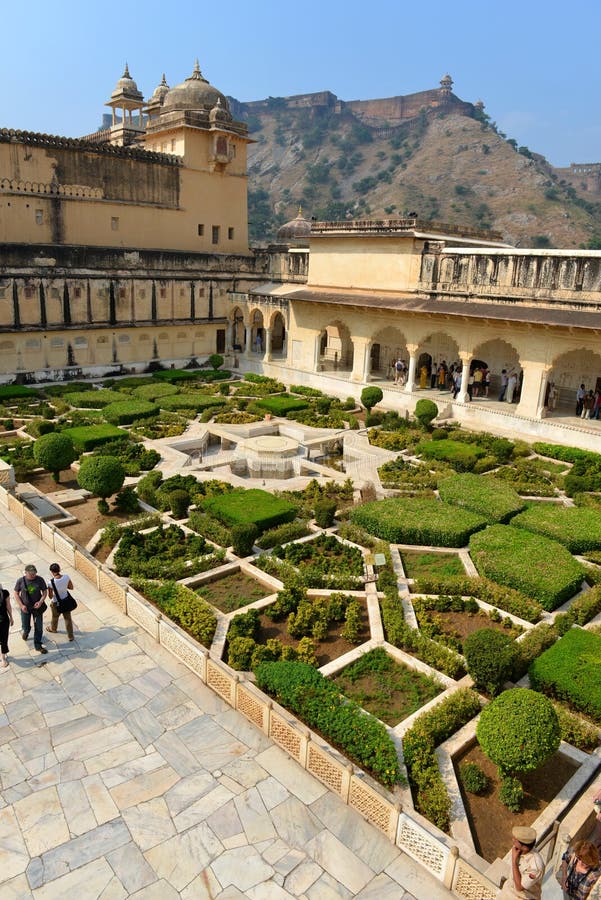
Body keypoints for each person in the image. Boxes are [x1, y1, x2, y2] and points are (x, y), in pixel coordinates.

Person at [497, 826, 544, 899]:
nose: (513, 840)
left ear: (525, 847)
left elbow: (519, 887)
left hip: (522, 897)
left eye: (516, 840)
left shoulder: (535, 866)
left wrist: (514, 861)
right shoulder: (518, 850)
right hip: (508, 891)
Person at [14, 564, 48, 654]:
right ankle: (26, 631)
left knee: (39, 627)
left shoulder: (40, 579)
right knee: (26, 625)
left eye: (34, 573)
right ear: (25, 573)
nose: (33, 575)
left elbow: (45, 592)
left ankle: (38, 645)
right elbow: (16, 593)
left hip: (37, 608)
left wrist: (40, 602)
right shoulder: (20, 581)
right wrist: (21, 605)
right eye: (31, 574)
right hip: (25, 608)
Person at [47, 562, 75, 642]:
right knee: (68, 619)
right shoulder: (66, 577)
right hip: (66, 600)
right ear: (59, 569)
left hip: (56, 602)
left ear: (51, 572)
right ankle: (70, 636)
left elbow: (50, 596)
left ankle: (53, 629)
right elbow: (71, 587)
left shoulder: (51, 583)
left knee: (55, 617)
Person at [0, 586, 13, 669]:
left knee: (4, 640)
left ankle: (3, 657)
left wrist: (11, 617)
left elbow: (8, 606)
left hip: (4, 621)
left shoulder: (4, 593)